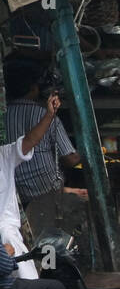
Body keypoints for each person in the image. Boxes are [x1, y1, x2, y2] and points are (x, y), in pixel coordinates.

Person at [0, 89, 61, 282]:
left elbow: (31, 140)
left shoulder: (4, 155)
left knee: (31, 281)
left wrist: (49, 116)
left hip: (9, 236)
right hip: (5, 241)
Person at [3, 64, 81, 208]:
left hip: (17, 197)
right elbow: (70, 160)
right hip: (48, 192)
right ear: (34, 89)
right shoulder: (46, 116)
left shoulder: (3, 117)